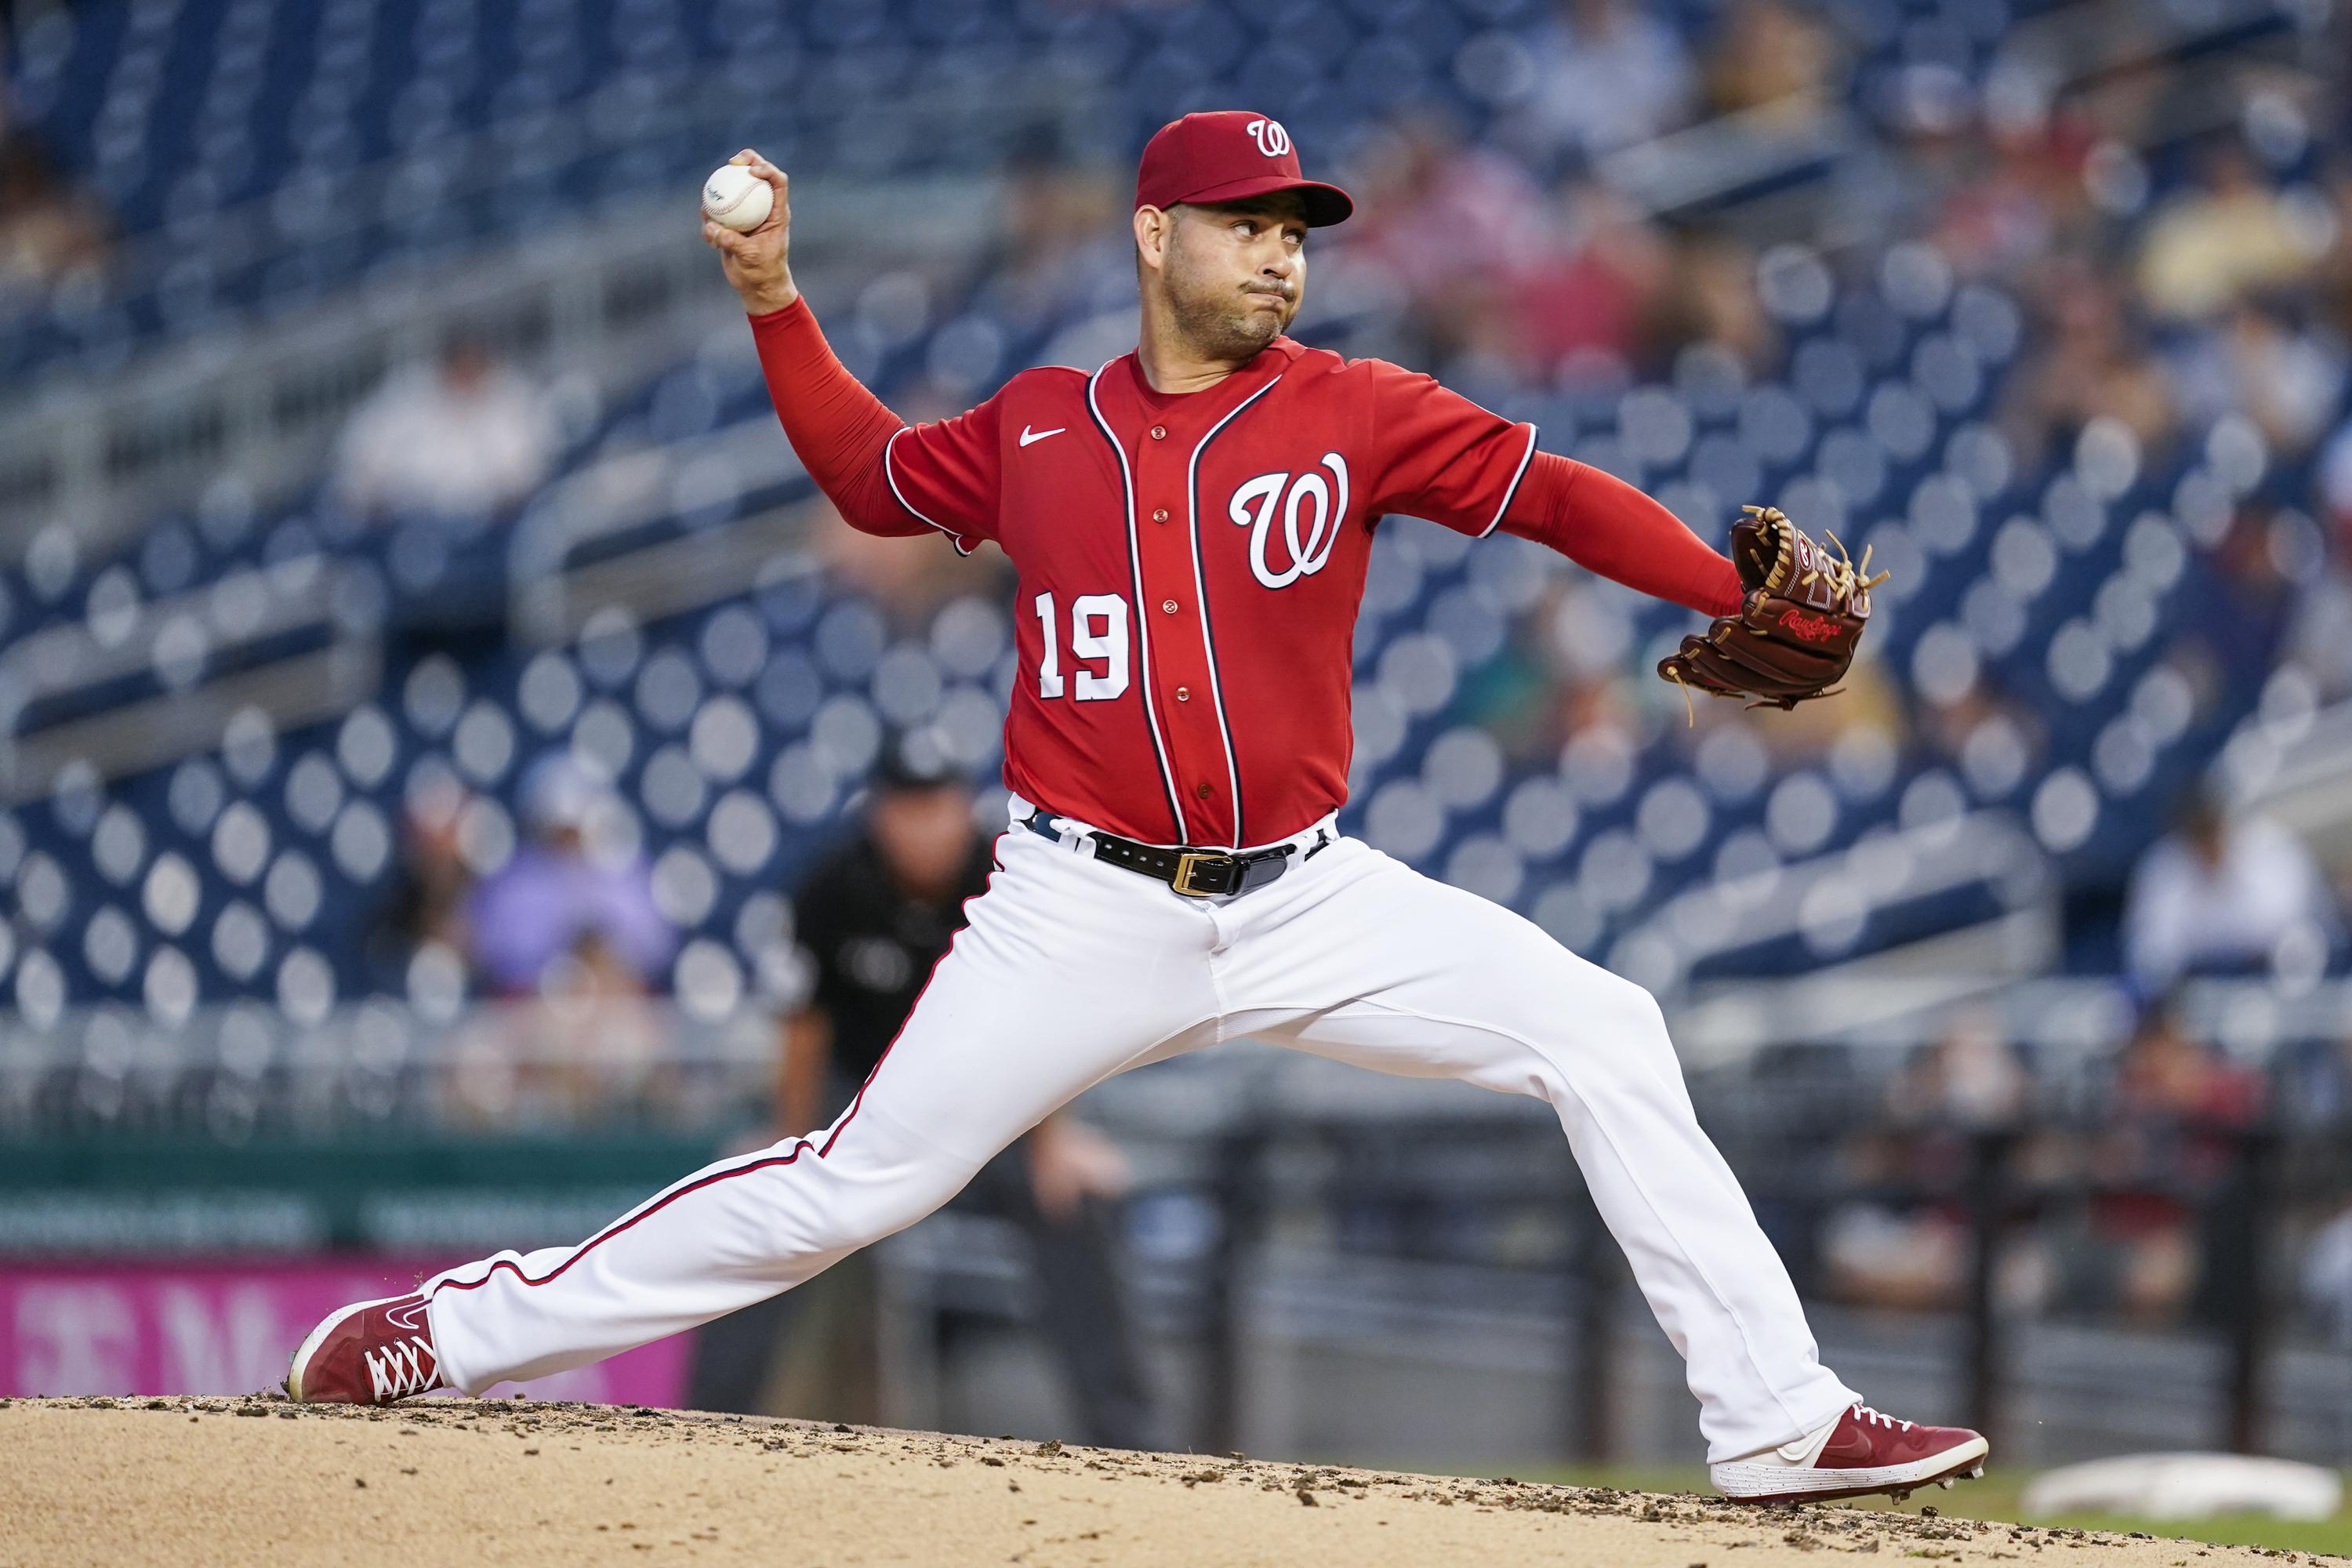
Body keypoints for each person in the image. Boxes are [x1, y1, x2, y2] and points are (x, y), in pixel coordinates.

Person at [289, 111, 1986, 1506]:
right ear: (1154, 237)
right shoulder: (1043, 427)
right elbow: (871, 479)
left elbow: (1547, 494)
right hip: (1080, 908)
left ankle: (1777, 1420)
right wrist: (776, 300)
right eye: (1245, 220)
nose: (1279, 250)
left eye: (1297, 227)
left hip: (1312, 895)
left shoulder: (1357, 409)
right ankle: (451, 1334)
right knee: (850, 1185)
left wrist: (1718, 585)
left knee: (1604, 1028)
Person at [688, 735, 1159, 1446]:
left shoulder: (1007, 879)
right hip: (857, 1107)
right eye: (905, 806)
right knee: (760, 1205)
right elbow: (803, 1026)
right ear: (877, 812)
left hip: (984, 1100)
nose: (922, 823)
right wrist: (787, 1134)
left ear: (963, 807)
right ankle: (699, 1428)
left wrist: (1057, 1143)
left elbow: (1052, 1018)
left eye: (935, 805)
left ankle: (1132, 1445)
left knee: (1071, 1203)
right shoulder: (832, 885)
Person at [2122, 786, 2337, 993]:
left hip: (2268, 971)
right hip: (2197, 984)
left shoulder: (2269, 846)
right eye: (2198, 832)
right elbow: (2150, 955)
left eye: (2211, 829)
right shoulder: (2164, 867)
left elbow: (2284, 926)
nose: (2208, 843)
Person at [332, 332, 560, 518]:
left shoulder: (515, 399)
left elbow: (527, 475)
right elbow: (363, 462)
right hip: (414, 522)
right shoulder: (409, 397)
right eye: (460, 366)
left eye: (473, 366)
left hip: (494, 522)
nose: (466, 375)